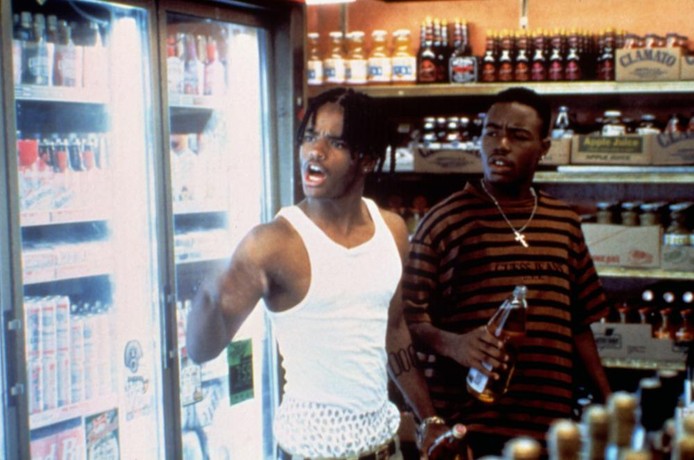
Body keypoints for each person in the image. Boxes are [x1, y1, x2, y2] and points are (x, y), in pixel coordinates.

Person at [186, 87, 449, 459]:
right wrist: (210, 290)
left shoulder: (392, 230)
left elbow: (393, 330)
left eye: (336, 143)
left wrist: (430, 419)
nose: (315, 151)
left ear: (368, 160)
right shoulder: (272, 243)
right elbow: (201, 349)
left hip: (384, 450)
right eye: (310, 137)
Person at [403, 87, 612, 456]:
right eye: (491, 132)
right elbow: (405, 324)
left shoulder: (564, 223)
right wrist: (454, 344)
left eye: (518, 136)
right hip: (469, 433)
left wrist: (608, 403)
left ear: (544, 147)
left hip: (550, 432)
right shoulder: (444, 221)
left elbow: (579, 325)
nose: (500, 145)